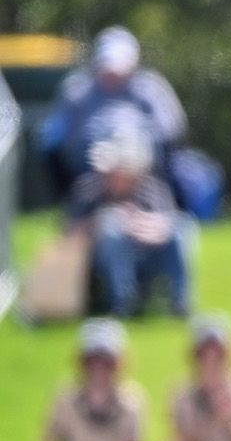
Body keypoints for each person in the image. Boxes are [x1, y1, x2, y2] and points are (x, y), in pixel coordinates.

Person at [19, 319, 146, 441]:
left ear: (119, 363)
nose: (99, 368)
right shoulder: (65, 399)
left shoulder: (131, 402)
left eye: (106, 361)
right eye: (92, 360)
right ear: (81, 362)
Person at [40, 25, 187, 196]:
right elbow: (55, 135)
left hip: (144, 171)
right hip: (89, 171)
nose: (113, 75)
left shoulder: (150, 88)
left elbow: (171, 132)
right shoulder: (77, 90)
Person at [66, 125, 191, 317]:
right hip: (97, 260)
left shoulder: (152, 189)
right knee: (112, 228)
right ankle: (122, 303)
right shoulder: (89, 189)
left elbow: (167, 223)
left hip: (148, 253)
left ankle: (180, 303)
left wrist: (140, 225)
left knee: (181, 227)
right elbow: (69, 232)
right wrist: (103, 222)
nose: (115, 177)